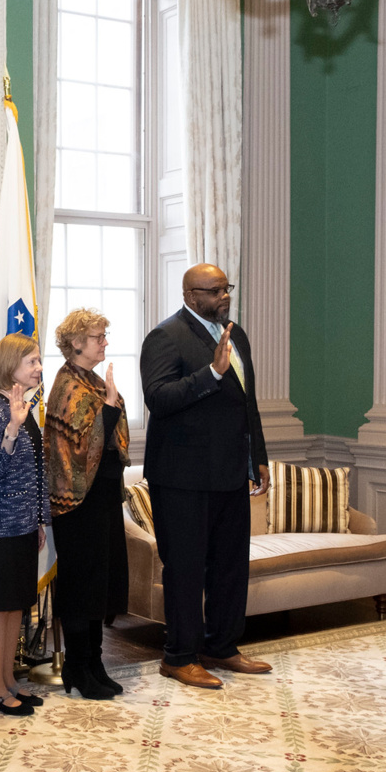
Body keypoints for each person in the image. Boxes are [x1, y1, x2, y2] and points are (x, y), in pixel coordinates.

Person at [140, 263, 271, 690]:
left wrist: (259, 457)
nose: (224, 297)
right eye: (215, 291)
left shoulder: (236, 334)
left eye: (226, 288)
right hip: (182, 477)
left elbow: (246, 403)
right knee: (186, 568)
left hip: (231, 471)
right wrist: (210, 374)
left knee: (231, 567)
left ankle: (222, 646)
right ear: (190, 295)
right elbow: (158, 400)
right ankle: (178, 656)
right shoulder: (165, 336)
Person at [45, 308, 130, 700]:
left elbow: (106, 435)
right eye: (98, 337)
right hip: (77, 503)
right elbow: (83, 444)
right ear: (76, 342)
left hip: (104, 496)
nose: (105, 343)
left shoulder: (93, 380)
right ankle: (78, 667)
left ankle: (94, 663)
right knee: (82, 588)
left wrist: (110, 404)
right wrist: (110, 407)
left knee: (101, 586)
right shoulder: (67, 386)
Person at [0, 332, 50, 716]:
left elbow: (36, 471)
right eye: (32, 362)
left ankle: (8, 680)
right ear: (10, 367)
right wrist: (13, 428)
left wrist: (39, 519)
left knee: (17, 605)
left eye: (38, 361)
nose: (39, 367)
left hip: (23, 525)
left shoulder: (23, 406)